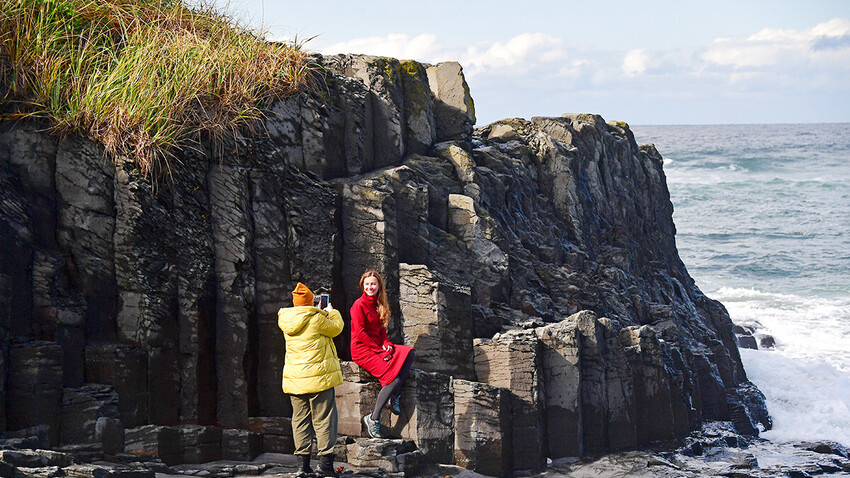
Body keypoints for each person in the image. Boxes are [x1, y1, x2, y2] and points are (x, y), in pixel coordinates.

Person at [278, 282, 343, 477]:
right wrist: (332, 312)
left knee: (299, 420)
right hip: (318, 379)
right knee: (323, 419)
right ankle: (325, 465)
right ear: (310, 302)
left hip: (295, 380)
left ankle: (302, 466)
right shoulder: (316, 319)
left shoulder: (286, 320)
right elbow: (336, 328)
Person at [349, 270, 415, 438]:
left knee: (408, 353)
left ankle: (395, 396)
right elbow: (361, 334)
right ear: (362, 286)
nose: (370, 287)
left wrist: (386, 344)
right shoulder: (358, 305)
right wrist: (379, 350)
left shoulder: (379, 304)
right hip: (362, 349)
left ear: (379, 286)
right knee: (393, 378)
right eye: (367, 284)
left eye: (373, 284)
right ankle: (374, 418)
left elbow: (382, 331)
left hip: (377, 346)